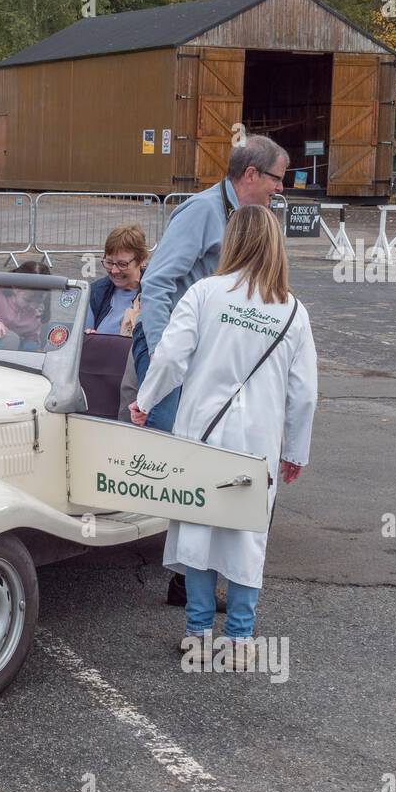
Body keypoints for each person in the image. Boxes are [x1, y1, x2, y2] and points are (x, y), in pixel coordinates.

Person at [128, 205, 317, 670]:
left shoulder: (204, 293)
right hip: (258, 442)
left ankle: (196, 632)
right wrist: (296, 451)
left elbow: (170, 357)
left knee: (197, 528)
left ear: (231, 241)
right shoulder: (293, 311)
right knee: (247, 534)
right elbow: (305, 393)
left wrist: (146, 401)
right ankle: (239, 638)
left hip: (202, 433)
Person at [129, 133, 289, 609]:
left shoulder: (248, 219)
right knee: (190, 460)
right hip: (173, 348)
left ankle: (195, 576)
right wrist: (164, 362)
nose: (281, 189)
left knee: (217, 459)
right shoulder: (202, 211)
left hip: (209, 353)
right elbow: (158, 284)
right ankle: (188, 578)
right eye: (278, 179)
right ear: (251, 175)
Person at [0, 260, 52, 350]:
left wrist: (32, 347)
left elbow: (32, 336)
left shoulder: (37, 312)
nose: (33, 306)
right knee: (11, 339)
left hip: (11, 354)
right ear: (15, 287)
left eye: (39, 302)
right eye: (27, 300)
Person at [84, 224, 147, 337]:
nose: (114, 271)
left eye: (122, 264)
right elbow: (83, 338)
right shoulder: (94, 293)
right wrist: (88, 338)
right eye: (109, 262)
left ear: (141, 260)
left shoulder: (157, 293)